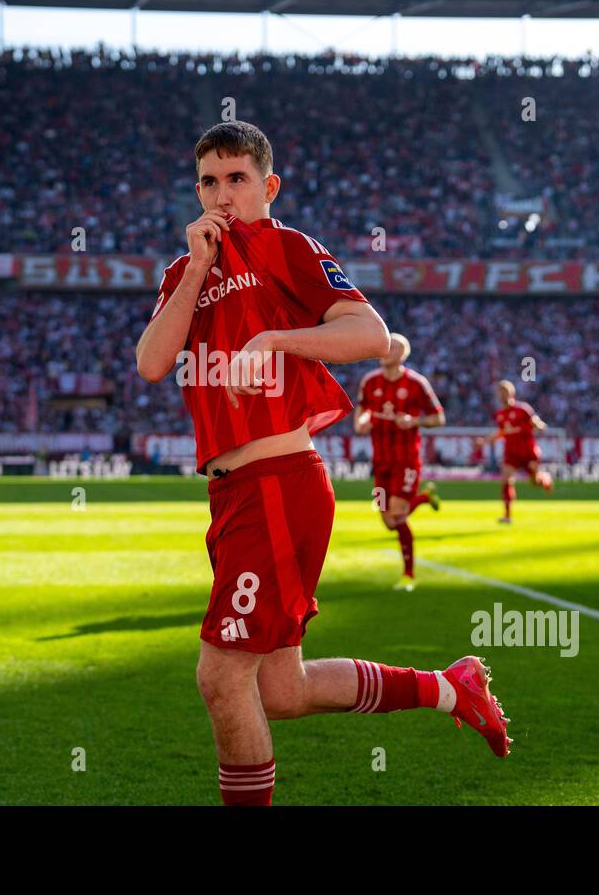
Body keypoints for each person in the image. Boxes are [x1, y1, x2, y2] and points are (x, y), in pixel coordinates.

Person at [135, 120, 511, 806]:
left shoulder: (285, 248)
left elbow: (370, 333)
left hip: (280, 484)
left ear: (268, 187)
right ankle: (452, 688)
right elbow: (152, 362)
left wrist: (276, 338)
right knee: (282, 690)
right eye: (210, 182)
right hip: (232, 496)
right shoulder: (182, 272)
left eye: (238, 180)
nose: (224, 196)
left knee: (220, 679)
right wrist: (194, 269)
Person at [353, 333, 445, 590]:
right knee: (387, 521)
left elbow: (439, 418)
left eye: (392, 347)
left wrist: (414, 421)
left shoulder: (417, 383)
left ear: (403, 354)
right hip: (381, 460)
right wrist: (360, 422)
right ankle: (425, 498)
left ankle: (408, 575)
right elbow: (362, 410)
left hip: (406, 459)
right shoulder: (369, 382)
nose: (386, 350)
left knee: (396, 514)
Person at [477, 379, 552, 524]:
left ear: (511, 393)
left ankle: (544, 479)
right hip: (511, 453)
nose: (501, 395)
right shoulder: (499, 414)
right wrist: (486, 441)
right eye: (499, 392)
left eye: (504, 392)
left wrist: (540, 425)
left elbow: (535, 421)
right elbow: (503, 432)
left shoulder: (523, 409)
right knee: (506, 480)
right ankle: (507, 515)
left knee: (535, 482)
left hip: (528, 452)